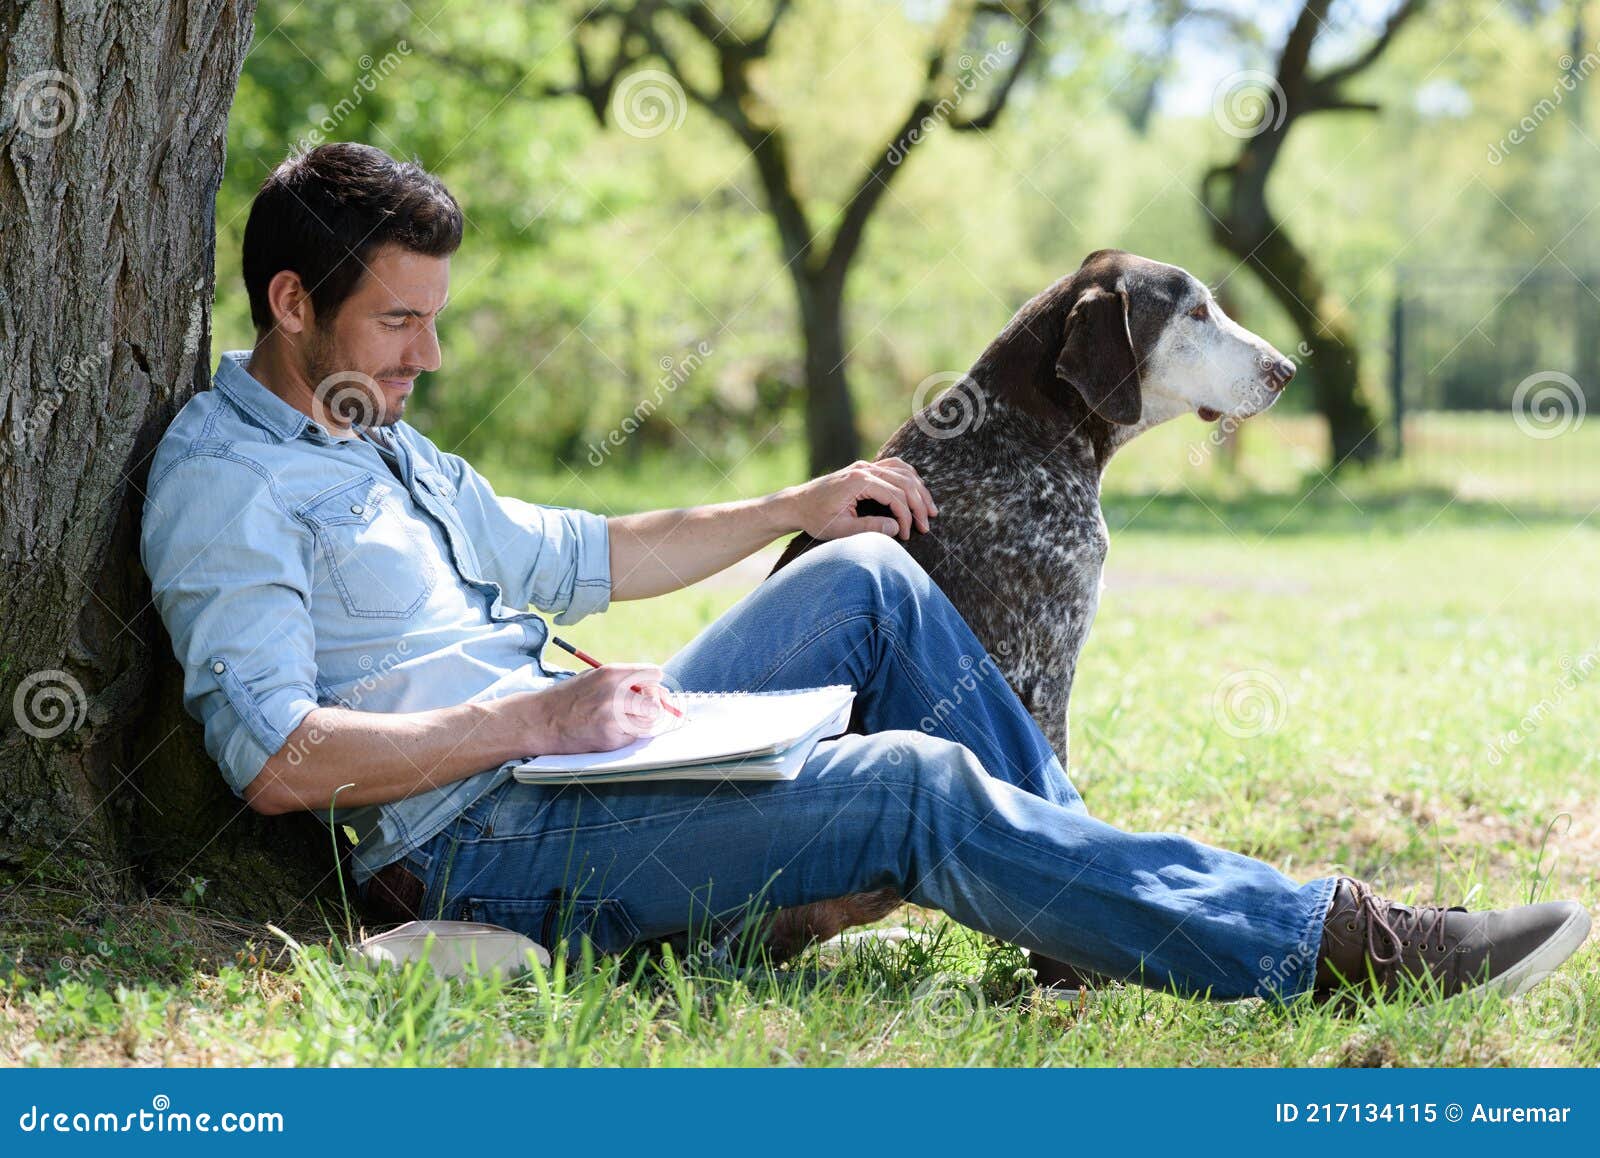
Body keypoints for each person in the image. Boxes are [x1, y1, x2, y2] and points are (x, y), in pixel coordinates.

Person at [141, 142, 1589, 1005]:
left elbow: (585, 555)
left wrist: (812, 500)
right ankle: (1331, 940)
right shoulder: (228, 482)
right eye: (402, 322)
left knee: (881, 579)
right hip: (487, 848)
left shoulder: (379, 438)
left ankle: (1083, 908)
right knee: (913, 782)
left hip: (576, 766)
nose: (430, 355)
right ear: (290, 302)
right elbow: (277, 757)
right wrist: (534, 722)